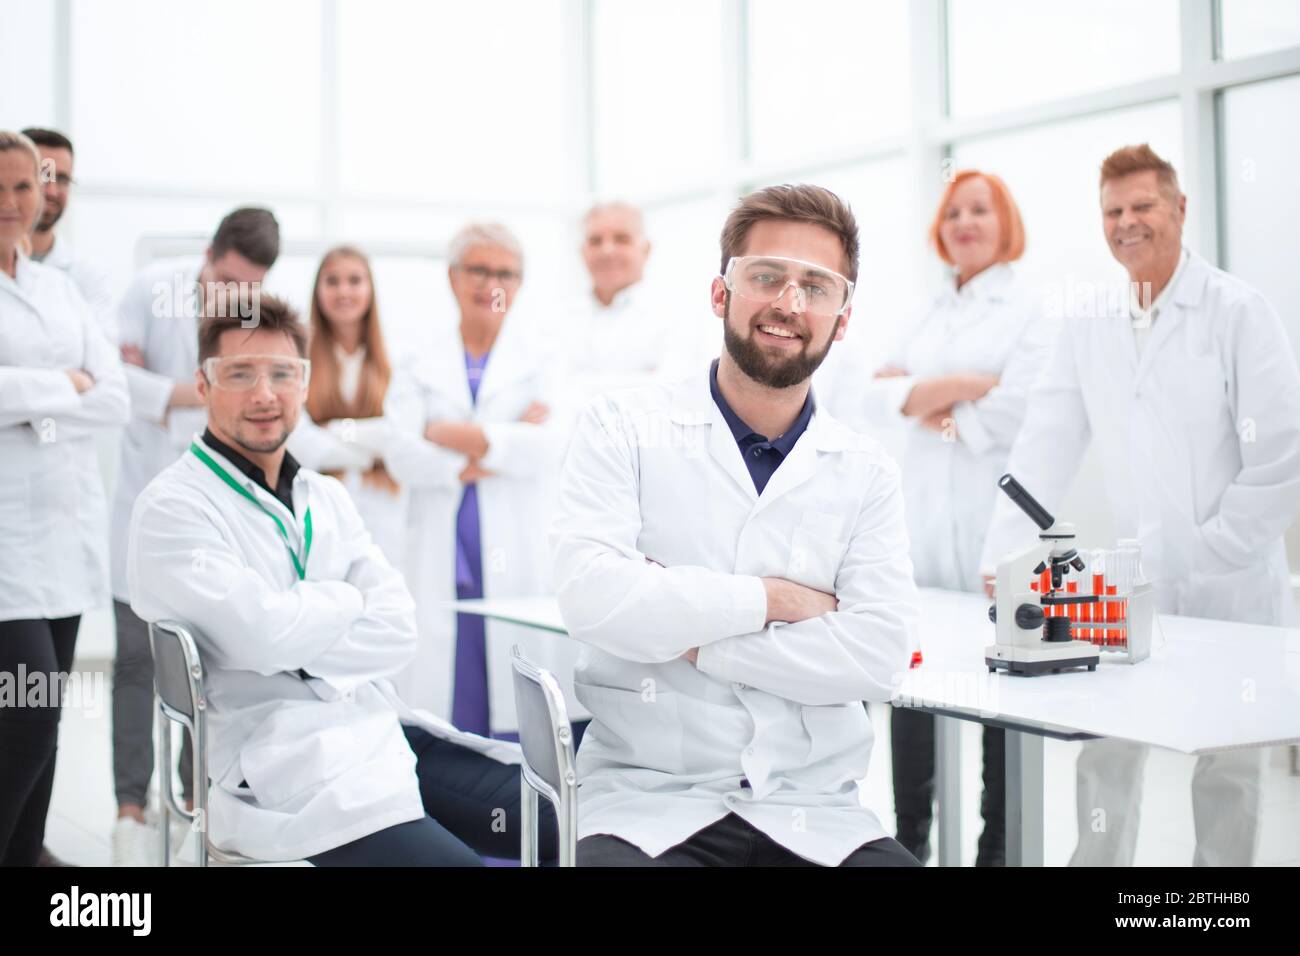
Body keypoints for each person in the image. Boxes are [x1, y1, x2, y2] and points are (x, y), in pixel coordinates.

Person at [551, 184, 922, 867]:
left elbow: (878, 653)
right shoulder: (622, 427)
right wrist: (771, 601)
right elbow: (592, 597)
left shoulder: (866, 471)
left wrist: (695, 641)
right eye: (765, 276)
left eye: (816, 285)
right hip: (647, 800)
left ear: (841, 319)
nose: (789, 302)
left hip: (813, 808)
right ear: (721, 294)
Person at [126, 296, 557, 865]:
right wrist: (346, 601)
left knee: (565, 823)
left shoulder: (325, 495)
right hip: (286, 769)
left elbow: (397, 629)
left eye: (283, 374)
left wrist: (299, 624)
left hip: (379, 734)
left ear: (304, 386)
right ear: (203, 386)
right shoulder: (174, 507)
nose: (264, 394)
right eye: (240, 374)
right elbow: (261, 637)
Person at [979, 144, 1300, 866]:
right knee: (1107, 754)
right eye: (1112, 211)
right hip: (1129, 589)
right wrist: (1002, 553)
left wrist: (1207, 552)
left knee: (1229, 770)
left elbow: (1282, 460)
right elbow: (1044, 445)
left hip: (1233, 589)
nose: (1126, 223)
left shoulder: (1238, 312)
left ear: (1180, 209)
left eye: (1141, 206)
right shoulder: (1089, 322)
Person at [852, 170, 1053, 867]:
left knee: (1001, 694)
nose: (965, 222)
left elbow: (1020, 407)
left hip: (996, 524)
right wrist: (961, 388)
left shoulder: (1031, 307)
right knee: (913, 682)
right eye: (954, 212)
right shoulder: (927, 309)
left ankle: (996, 850)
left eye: (980, 211)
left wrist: (925, 403)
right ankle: (912, 841)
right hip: (924, 524)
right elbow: (872, 395)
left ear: (1006, 224)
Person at [109, 207, 280, 865]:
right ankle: (129, 809)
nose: (232, 297)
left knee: (204, 673)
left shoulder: (253, 316)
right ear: (207, 255)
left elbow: (250, 405)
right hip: (140, 506)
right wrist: (198, 390)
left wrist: (178, 389)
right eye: (225, 280)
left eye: (247, 287)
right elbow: (121, 383)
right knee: (132, 667)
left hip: (214, 521)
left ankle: (196, 810)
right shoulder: (151, 289)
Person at [386, 223, 577, 739]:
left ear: (519, 284)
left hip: (515, 537)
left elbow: (549, 446)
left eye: (505, 273)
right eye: (478, 269)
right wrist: (493, 447)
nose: (491, 282)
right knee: (445, 665)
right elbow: (400, 450)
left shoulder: (543, 356)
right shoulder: (416, 358)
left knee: (512, 666)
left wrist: (448, 434)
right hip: (443, 534)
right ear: (453, 278)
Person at [0, 130, 129, 867]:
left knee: (44, 728)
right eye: (1, 187)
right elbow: (84, 388)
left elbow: (112, 399)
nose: (16, 203)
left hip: (65, 535)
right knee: (28, 710)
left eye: (27, 186)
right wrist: (62, 384)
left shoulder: (62, 289)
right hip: (7, 539)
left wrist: (29, 393)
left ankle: (28, 860)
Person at [291, 246, 409, 563]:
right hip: (318, 507)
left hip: (384, 508)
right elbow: (300, 443)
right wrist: (373, 453)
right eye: (332, 281)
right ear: (318, 291)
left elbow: (401, 435)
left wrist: (334, 430)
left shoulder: (397, 360)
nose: (344, 290)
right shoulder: (297, 357)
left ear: (370, 289)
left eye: (354, 280)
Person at [20, 128, 115, 339]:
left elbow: (103, 360)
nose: (52, 191)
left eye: (62, 179)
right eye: (43, 176)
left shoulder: (87, 277)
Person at [564, 201, 664, 386]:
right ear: (582, 251)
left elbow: (671, 392)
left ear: (646, 249)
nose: (607, 250)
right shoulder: (556, 319)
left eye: (621, 239)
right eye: (595, 241)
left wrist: (574, 386)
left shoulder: (674, 316)